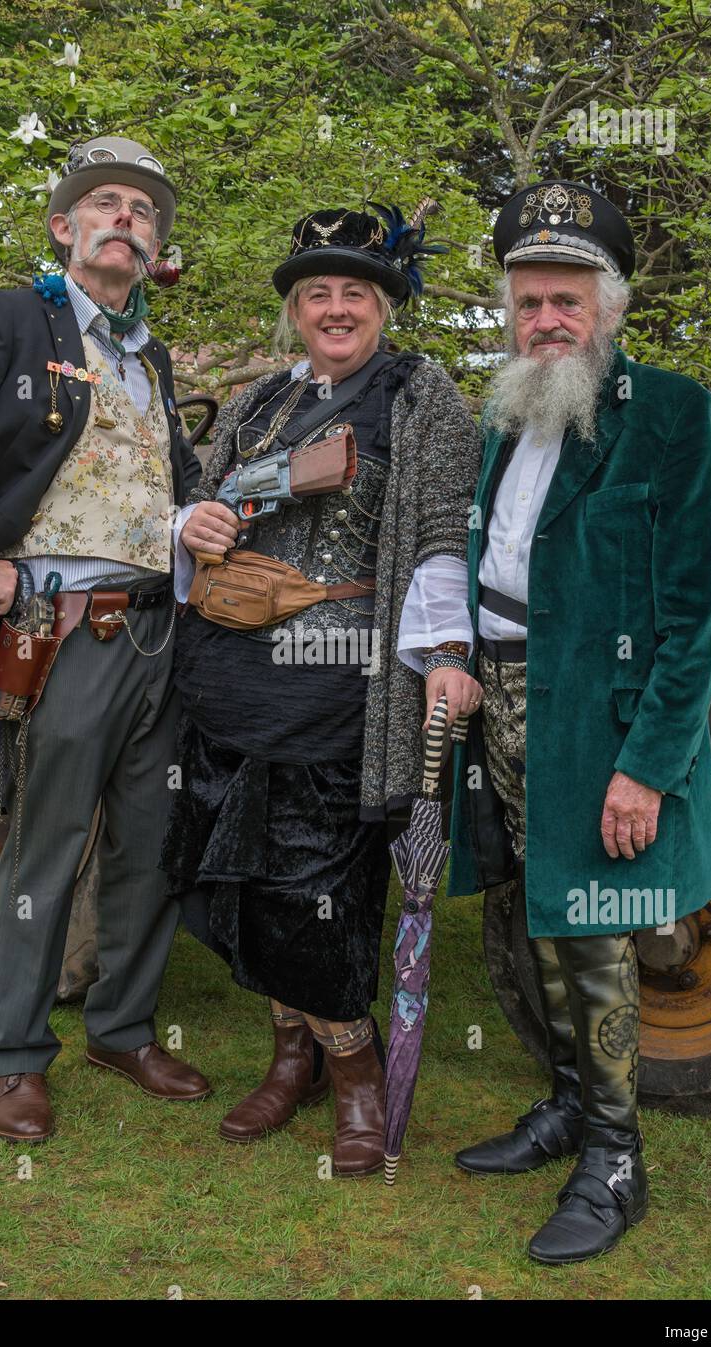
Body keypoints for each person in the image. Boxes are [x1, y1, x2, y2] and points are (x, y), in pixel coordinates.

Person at [0, 135, 210, 1144]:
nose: (125, 221)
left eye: (143, 213)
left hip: (160, 633)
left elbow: (158, 495)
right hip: (60, 635)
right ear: (63, 229)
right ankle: (15, 1054)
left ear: (152, 247)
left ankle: (123, 1026)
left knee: (150, 846)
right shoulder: (20, 318)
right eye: (104, 204)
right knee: (48, 848)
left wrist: (197, 521)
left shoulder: (150, 354)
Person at [160, 203, 482, 1175]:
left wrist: (445, 656)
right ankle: (290, 1054)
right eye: (316, 294)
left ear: (384, 305)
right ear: (294, 312)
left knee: (315, 888)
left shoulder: (420, 397)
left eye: (354, 292)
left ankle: (351, 1069)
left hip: (340, 689)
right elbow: (205, 514)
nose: (335, 308)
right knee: (243, 880)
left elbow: (435, 531)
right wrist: (194, 527)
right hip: (225, 677)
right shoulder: (262, 402)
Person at [447, 181, 711, 1262]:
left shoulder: (666, 413)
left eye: (565, 301)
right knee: (536, 913)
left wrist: (647, 767)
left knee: (601, 934)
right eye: (527, 303)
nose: (545, 321)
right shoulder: (506, 410)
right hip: (502, 704)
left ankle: (614, 1157)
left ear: (607, 306)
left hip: (600, 724)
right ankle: (567, 1100)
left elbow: (693, 612)